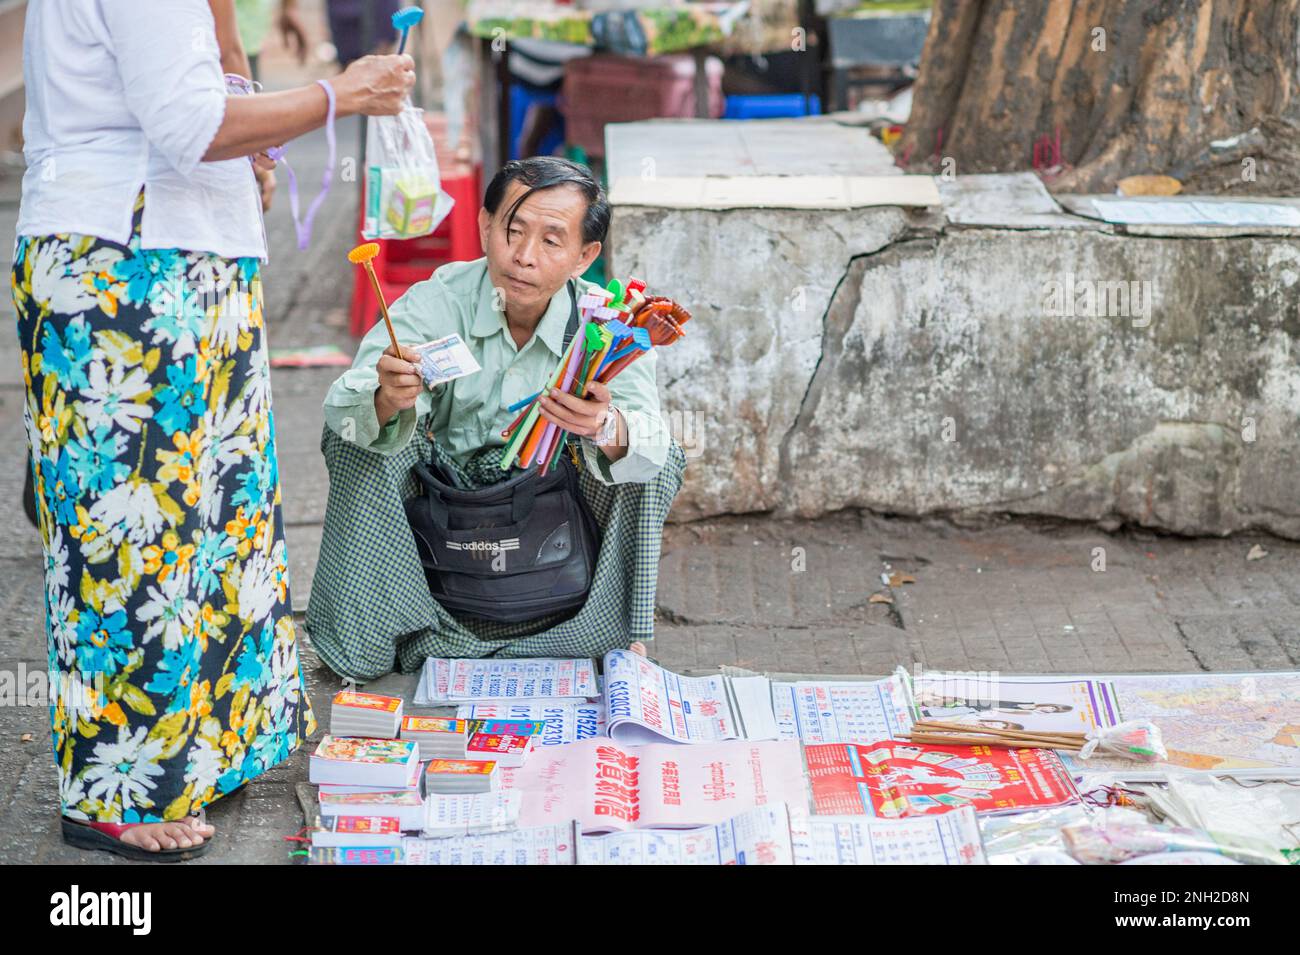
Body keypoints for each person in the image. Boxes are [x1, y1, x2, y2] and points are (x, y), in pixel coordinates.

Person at [12, 0, 414, 861]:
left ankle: (211, 745)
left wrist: (249, 142)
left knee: (222, 524)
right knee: (136, 539)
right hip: (122, 270)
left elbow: (207, 93)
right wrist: (337, 93)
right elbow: (191, 123)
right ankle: (119, 789)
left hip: (184, 260)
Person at [308, 157, 686, 680]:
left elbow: (652, 441)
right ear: (485, 226)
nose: (524, 257)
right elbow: (345, 406)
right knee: (354, 434)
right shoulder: (437, 300)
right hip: (446, 504)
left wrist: (605, 426)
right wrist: (386, 398)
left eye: (552, 241)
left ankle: (607, 628)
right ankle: (372, 633)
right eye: (513, 231)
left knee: (649, 457)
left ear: (585, 255)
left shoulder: (605, 325)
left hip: (550, 507)